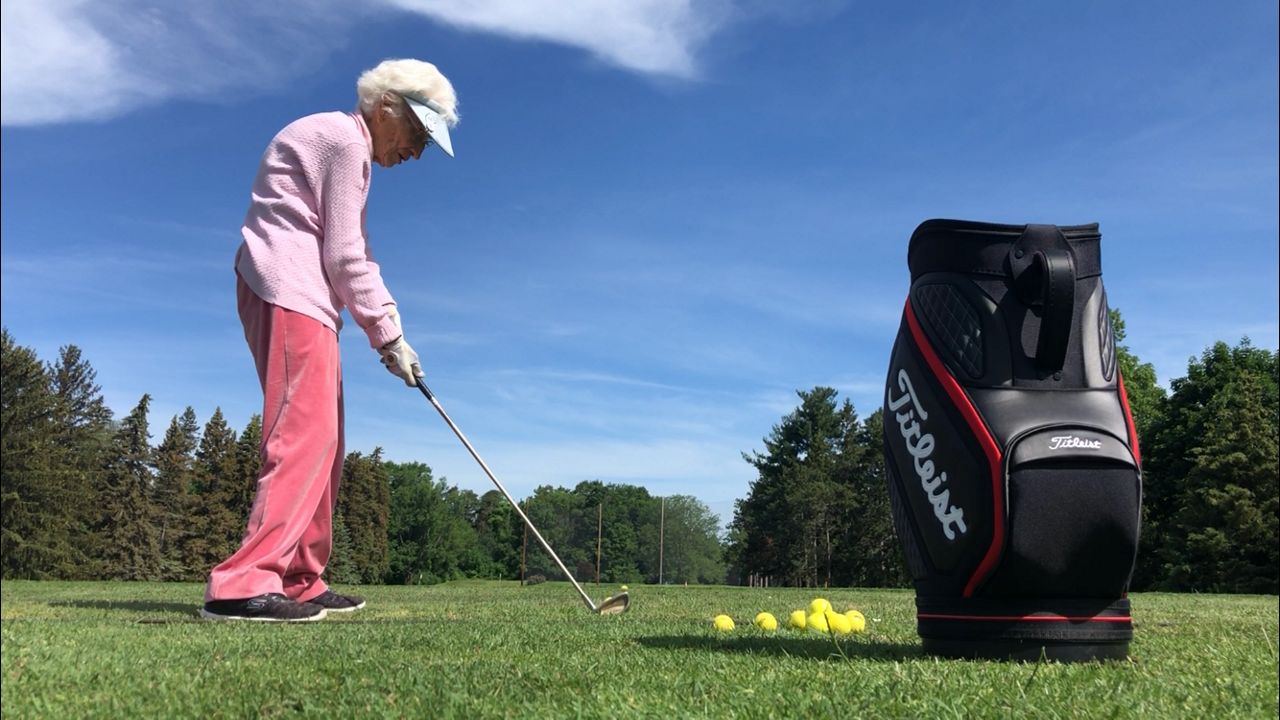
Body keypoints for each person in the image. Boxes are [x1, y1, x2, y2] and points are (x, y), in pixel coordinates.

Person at [201, 59, 459, 622]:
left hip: (305, 298)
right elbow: (346, 256)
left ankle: (300, 578)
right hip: (289, 289)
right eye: (418, 132)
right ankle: (243, 583)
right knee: (301, 436)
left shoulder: (347, 146)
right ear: (386, 105)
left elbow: (351, 253)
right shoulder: (344, 139)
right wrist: (388, 333)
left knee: (325, 440)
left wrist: (383, 330)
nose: (416, 151)